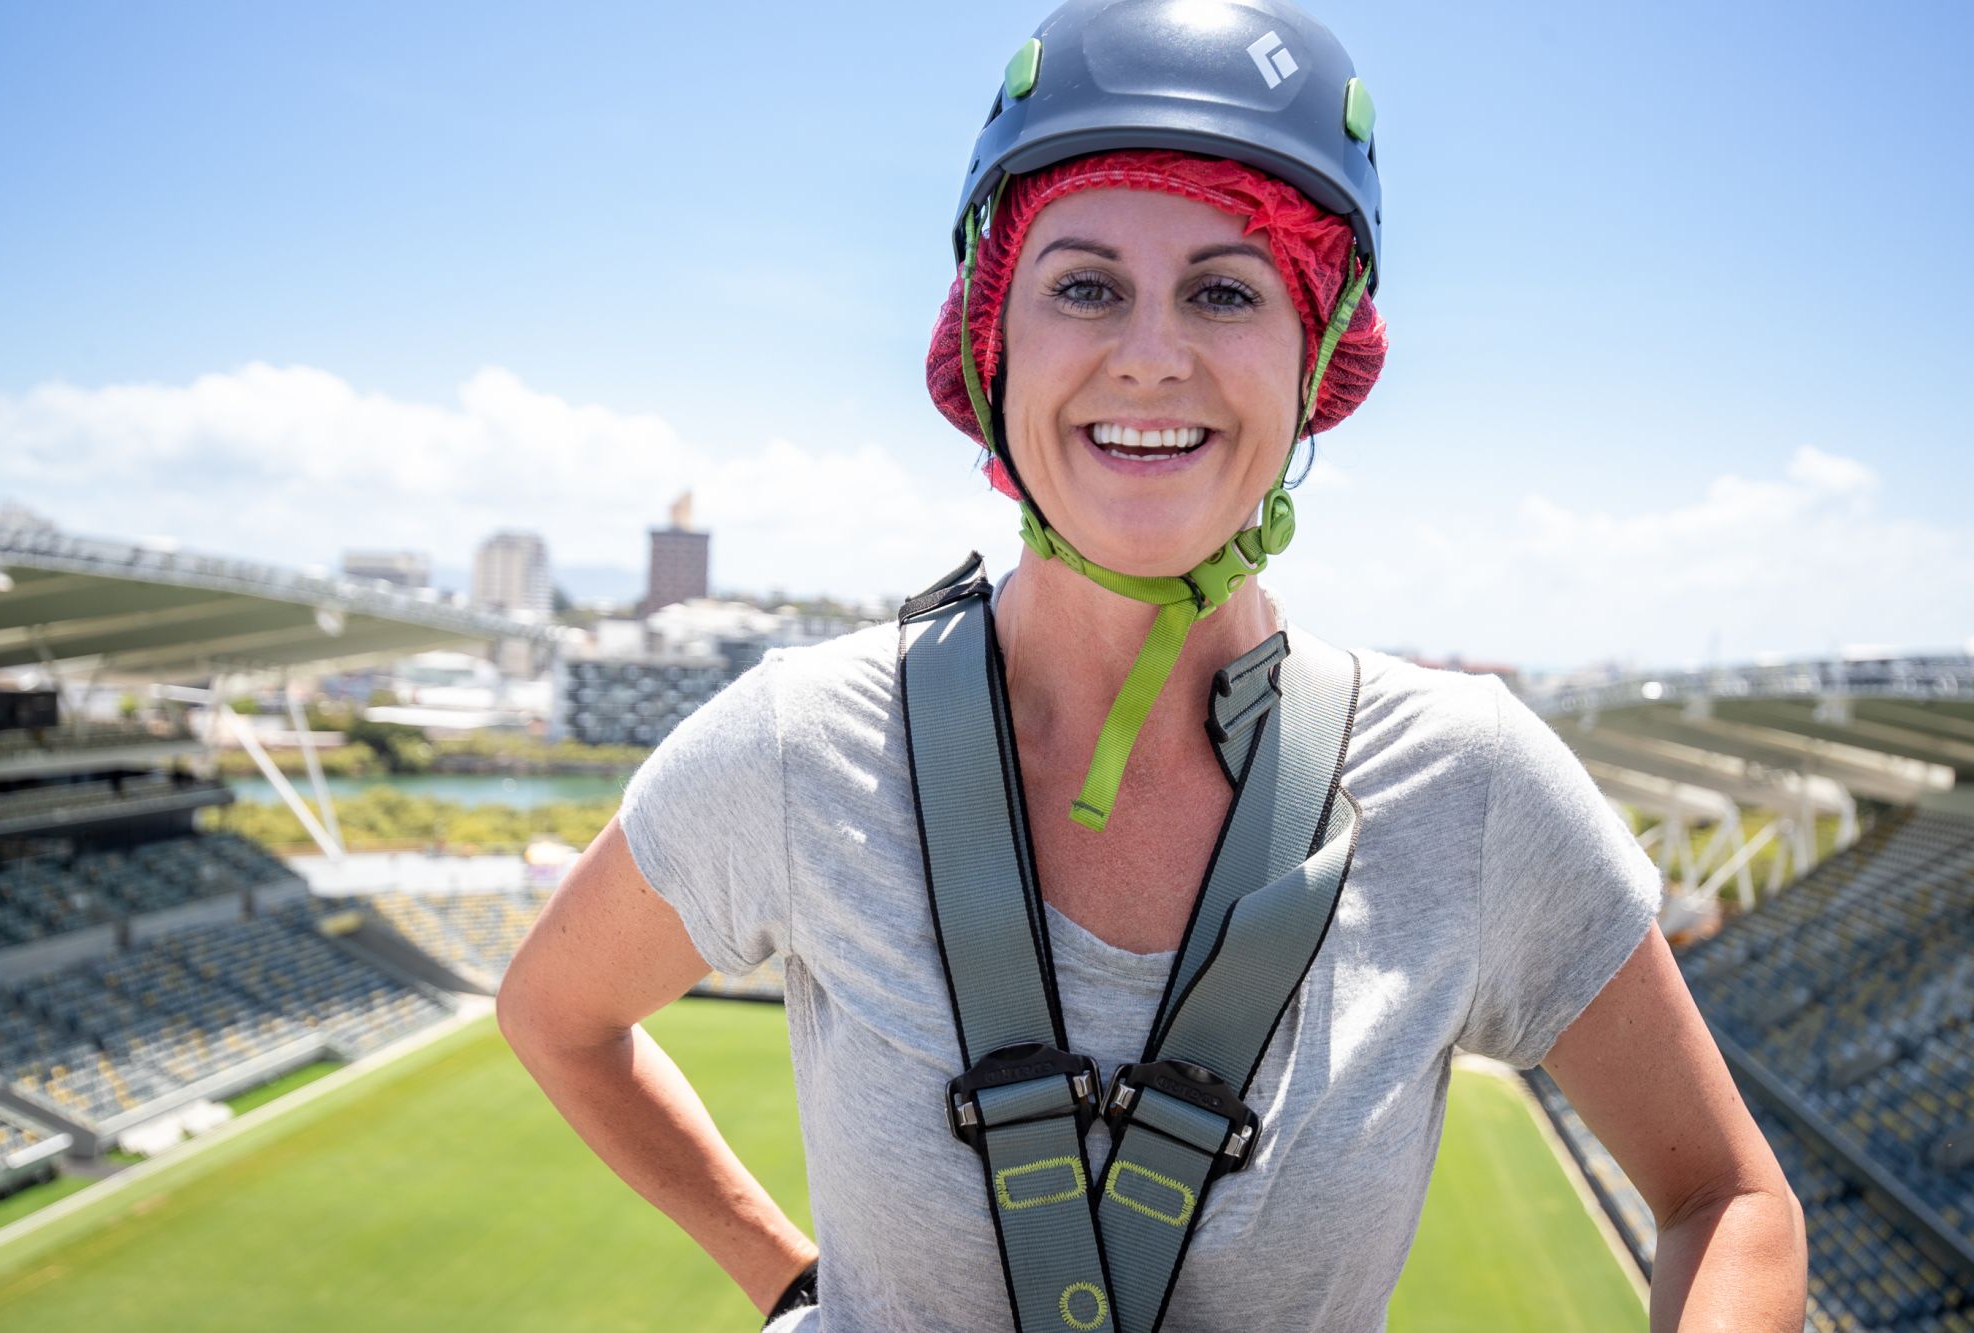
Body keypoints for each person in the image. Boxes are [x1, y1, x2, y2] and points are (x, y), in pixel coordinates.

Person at [497, 2, 1808, 1329]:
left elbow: (1730, 1196)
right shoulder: (804, 743)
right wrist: (793, 1283)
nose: (1150, 352)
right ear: (989, 340)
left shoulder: (1467, 784)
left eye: (1225, 291)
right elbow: (557, 1011)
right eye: (1084, 284)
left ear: (1317, 361)